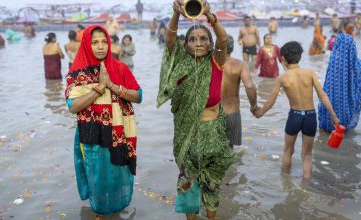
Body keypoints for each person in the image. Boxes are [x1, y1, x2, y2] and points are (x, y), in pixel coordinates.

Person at [157, 1, 234, 219]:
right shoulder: (180, 64)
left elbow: (224, 39)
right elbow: (170, 39)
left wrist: (209, 14)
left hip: (214, 136)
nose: (198, 42)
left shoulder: (217, 62)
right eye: (192, 39)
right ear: (186, 44)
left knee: (212, 187)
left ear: (210, 44)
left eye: (203, 39)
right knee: (188, 187)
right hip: (187, 138)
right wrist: (175, 14)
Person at [65, 25, 142, 215]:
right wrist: (99, 88)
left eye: (104, 42)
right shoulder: (77, 74)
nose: (101, 47)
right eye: (95, 42)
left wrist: (112, 86)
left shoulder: (120, 68)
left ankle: (116, 211)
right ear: (86, 45)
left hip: (118, 133)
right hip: (91, 134)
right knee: (97, 177)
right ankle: (100, 211)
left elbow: (138, 96)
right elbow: (73, 106)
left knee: (117, 175)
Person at [254, 41, 340, 179]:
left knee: (288, 151)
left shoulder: (282, 78)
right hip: (310, 116)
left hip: (294, 117)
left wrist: (260, 113)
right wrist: (334, 117)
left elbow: (270, 102)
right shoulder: (310, 73)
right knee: (307, 155)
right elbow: (322, 96)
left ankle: (286, 182)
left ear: (283, 59)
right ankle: (306, 186)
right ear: (300, 56)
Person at [318, 34, 361, 132]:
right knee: (346, 134)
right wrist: (360, 100)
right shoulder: (357, 64)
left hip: (330, 108)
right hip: (349, 108)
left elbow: (326, 85)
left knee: (327, 136)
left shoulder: (333, 62)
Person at [222, 35, 258, 148]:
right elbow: (250, 86)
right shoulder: (241, 64)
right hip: (232, 113)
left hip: (212, 115)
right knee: (229, 151)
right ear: (232, 47)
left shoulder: (209, 63)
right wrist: (254, 105)